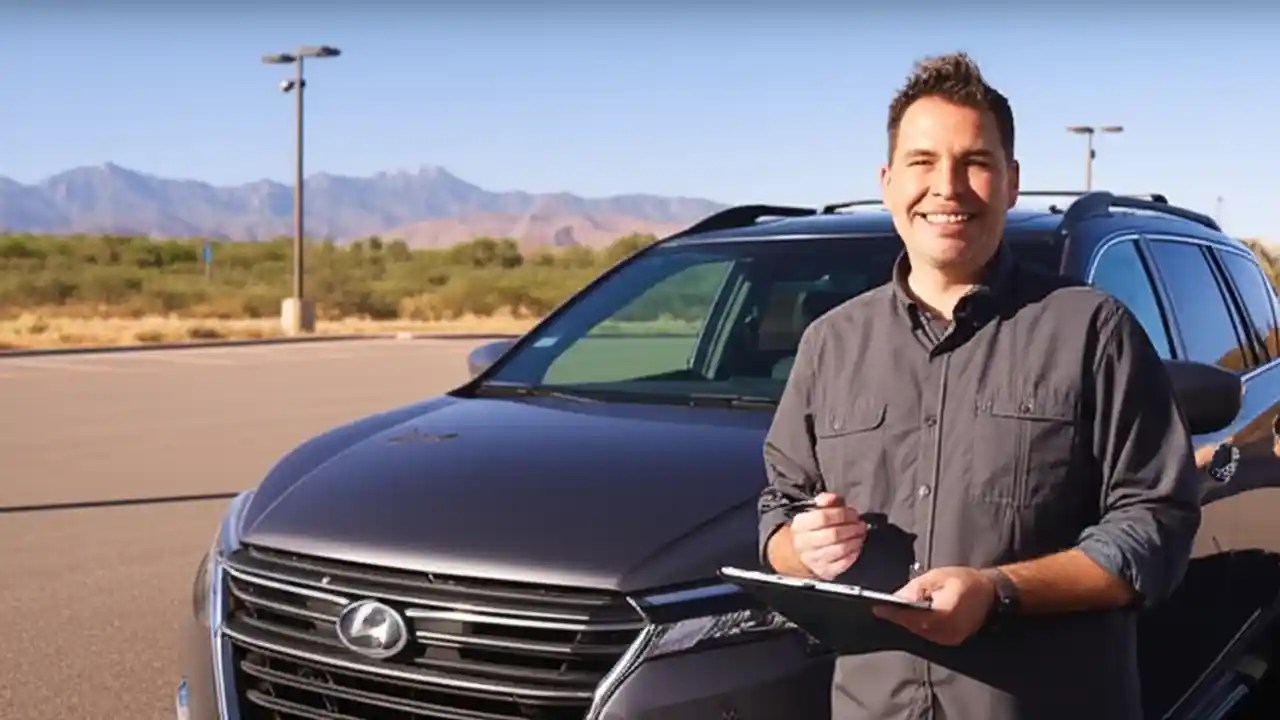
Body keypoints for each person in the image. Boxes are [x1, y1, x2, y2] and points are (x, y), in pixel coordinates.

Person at [756, 52, 1202, 719]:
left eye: (975, 162)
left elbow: (1156, 525)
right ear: (886, 181)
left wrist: (999, 592)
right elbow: (777, 511)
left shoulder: (1093, 330)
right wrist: (802, 547)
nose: (948, 187)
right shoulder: (830, 344)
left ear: (1012, 180)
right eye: (923, 161)